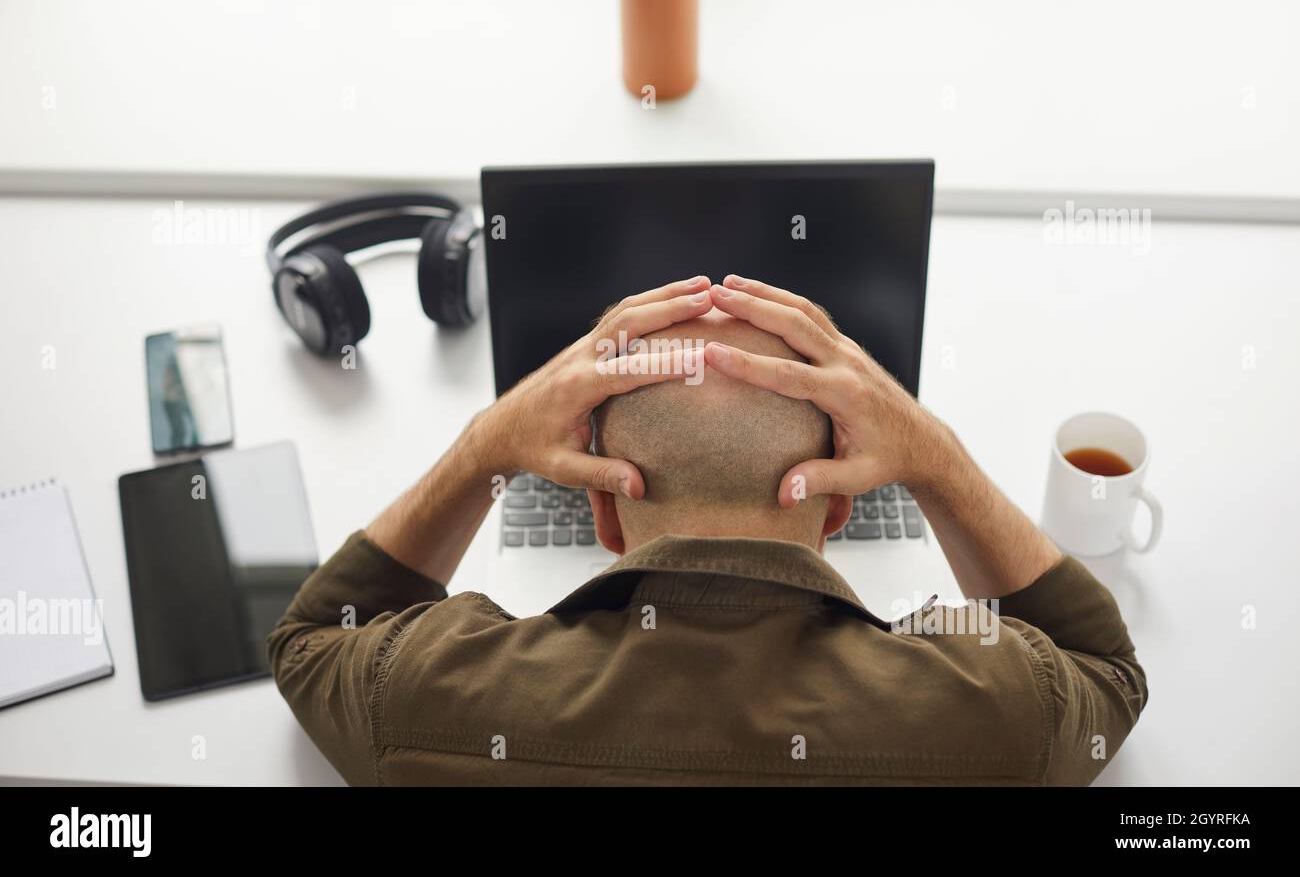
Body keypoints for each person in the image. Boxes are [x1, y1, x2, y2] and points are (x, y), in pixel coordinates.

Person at [269, 275, 1147, 785]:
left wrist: (484, 445)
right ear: (839, 505)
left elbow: (311, 639)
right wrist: (934, 456)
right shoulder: (991, 709)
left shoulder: (431, 690)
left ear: (603, 511)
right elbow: (1104, 667)